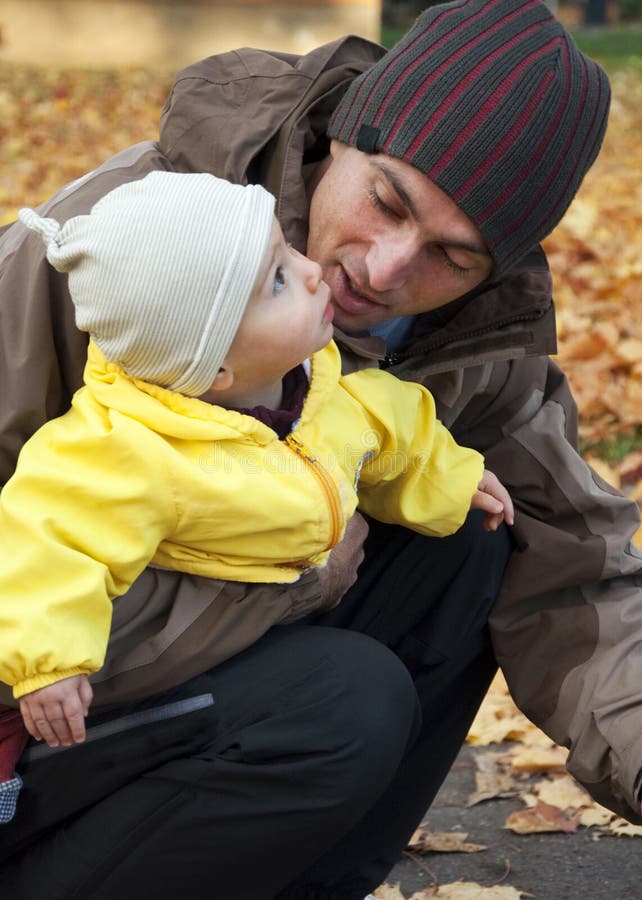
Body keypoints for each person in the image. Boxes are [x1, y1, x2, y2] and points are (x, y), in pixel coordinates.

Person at [1, 1, 639, 898]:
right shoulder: (125, 247)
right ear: (345, 131)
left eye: (452, 257)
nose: (384, 272)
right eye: (386, 201)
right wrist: (295, 579)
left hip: (191, 693)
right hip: (36, 716)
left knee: (476, 525)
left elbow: (581, 572)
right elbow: (34, 556)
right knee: (342, 702)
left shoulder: (478, 340)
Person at [0, 170, 510, 757]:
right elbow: (50, 541)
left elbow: (393, 428)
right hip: (163, 670)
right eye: (278, 280)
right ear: (214, 368)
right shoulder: (124, 451)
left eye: (286, 252)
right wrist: (50, 663)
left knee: (467, 542)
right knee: (348, 693)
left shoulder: (314, 386)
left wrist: (453, 477)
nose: (312, 270)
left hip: (275, 614)